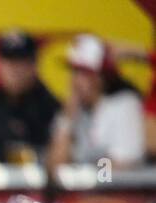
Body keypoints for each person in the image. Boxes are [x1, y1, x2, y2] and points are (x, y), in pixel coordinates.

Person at [47, 34, 146, 173]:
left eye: (84, 73)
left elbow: (123, 167)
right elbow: (54, 168)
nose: (75, 81)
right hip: (82, 192)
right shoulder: (72, 110)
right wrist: (67, 120)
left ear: (101, 77)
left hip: (121, 192)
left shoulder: (124, 104)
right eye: (74, 72)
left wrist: (80, 173)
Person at [0, 32, 60, 164]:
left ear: (34, 66)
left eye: (21, 63)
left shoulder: (49, 107)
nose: (14, 71)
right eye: (8, 62)